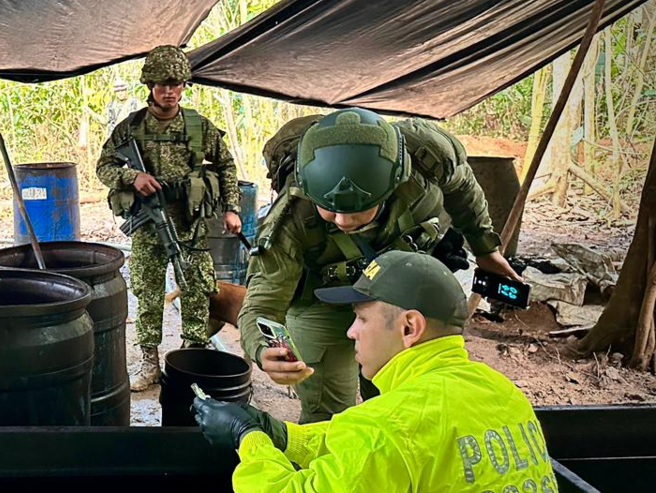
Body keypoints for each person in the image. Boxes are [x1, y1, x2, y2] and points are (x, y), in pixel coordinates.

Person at [238, 107, 524, 422]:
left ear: (391, 187)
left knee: (401, 402)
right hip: (321, 299)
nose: (343, 220)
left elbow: (462, 188)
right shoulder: (289, 221)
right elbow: (260, 305)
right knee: (329, 416)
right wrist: (265, 350)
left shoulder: (427, 158)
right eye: (329, 209)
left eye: (360, 209)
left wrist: (484, 246)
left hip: (394, 296)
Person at [194, 251, 557, 492]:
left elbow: (377, 441)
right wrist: (277, 432)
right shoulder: (501, 391)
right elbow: (360, 443)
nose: (351, 332)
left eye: (361, 318)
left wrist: (247, 437)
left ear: (408, 328)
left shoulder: (388, 425)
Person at [96, 45, 241, 391]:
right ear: (150, 85)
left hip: (189, 225)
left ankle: (192, 357)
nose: (169, 91)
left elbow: (226, 165)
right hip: (147, 226)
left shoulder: (198, 126)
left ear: (184, 85)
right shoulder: (129, 128)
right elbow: (104, 166)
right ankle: (148, 361)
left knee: (196, 291)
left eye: (176, 83)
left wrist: (232, 208)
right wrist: (133, 178)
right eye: (162, 84)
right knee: (147, 293)